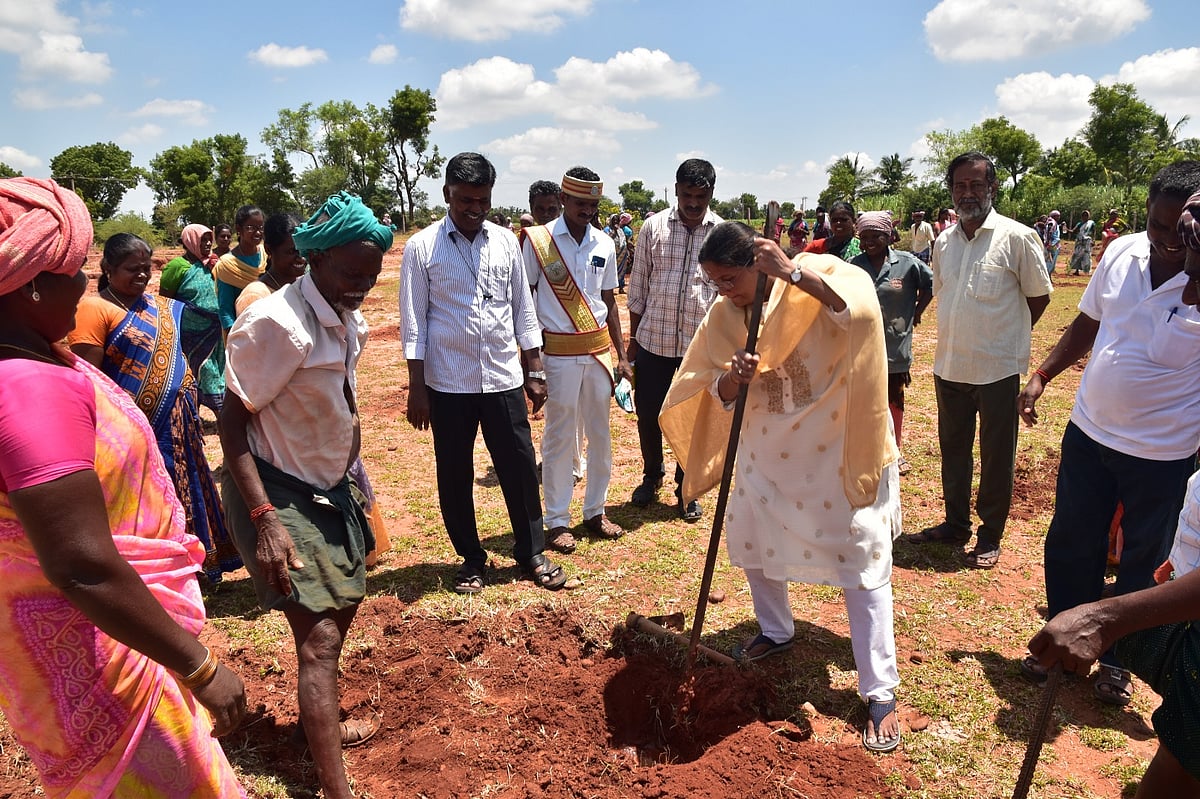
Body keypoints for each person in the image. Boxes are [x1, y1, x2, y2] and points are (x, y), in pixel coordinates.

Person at [0, 177, 247, 797]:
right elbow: (82, 565)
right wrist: (200, 666)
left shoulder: (37, 360)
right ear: (30, 284)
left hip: (89, 644)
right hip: (102, 660)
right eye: (75, 271)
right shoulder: (29, 389)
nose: (85, 285)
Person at [660, 222, 902, 752]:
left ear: (760, 261)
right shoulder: (724, 315)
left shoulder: (820, 275)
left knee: (861, 558)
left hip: (836, 448)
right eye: (714, 280)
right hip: (766, 455)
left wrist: (792, 274)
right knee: (751, 541)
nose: (723, 290)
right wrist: (732, 378)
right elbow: (701, 387)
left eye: (730, 278)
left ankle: (879, 689)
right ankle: (776, 630)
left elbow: (859, 316)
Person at [219, 191, 392, 799]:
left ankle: (317, 726)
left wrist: (351, 477)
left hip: (328, 488)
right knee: (318, 640)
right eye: (351, 274)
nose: (362, 286)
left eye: (371, 276)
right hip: (276, 490)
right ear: (314, 259)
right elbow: (233, 425)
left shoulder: (351, 319)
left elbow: (341, 401)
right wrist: (264, 518)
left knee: (334, 619)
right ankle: (333, 785)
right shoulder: (275, 325)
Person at [1027, 195, 1200, 797]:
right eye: (1157, 227)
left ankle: (1120, 660)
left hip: (1162, 453)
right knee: (1071, 538)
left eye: (1178, 238)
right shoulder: (1123, 252)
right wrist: (1044, 374)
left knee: (1142, 556)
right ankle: (1061, 636)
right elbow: (1087, 323)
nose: (1166, 245)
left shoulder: (1198, 266)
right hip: (1090, 431)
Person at [400, 152, 572, 594]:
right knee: (454, 473)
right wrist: (417, 387)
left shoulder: (504, 243)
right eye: (465, 202)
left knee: (517, 467)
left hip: (502, 377)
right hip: (448, 383)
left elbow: (523, 310)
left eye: (483, 201)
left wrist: (534, 368)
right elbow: (415, 321)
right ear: (447, 196)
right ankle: (472, 558)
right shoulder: (422, 247)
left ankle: (531, 550)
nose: (475, 210)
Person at [908, 152, 1052, 569]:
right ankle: (956, 523)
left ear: (992, 188)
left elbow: (1038, 298)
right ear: (951, 190)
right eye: (959, 186)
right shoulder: (944, 241)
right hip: (949, 365)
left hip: (996, 369)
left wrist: (1004, 337)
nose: (967, 194)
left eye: (976, 185)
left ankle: (990, 535)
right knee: (953, 449)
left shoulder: (1017, 237)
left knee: (996, 455)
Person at [69, 233, 240, 583]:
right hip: (133, 431)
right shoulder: (94, 309)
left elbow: (203, 327)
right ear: (108, 268)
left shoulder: (162, 309)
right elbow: (90, 379)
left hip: (181, 426)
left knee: (188, 486)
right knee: (149, 497)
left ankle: (200, 565)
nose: (143, 275)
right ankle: (157, 571)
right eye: (133, 269)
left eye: (147, 268)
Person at [523, 168, 632, 554]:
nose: (586, 210)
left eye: (593, 204)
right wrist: (530, 362)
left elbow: (611, 303)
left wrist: (623, 355)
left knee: (600, 434)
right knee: (560, 435)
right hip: (557, 354)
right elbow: (526, 301)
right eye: (580, 202)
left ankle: (595, 510)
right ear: (564, 200)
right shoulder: (540, 241)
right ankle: (556, 520)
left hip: (598, 351)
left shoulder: (604, 242)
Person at [626, 158, 723, 521]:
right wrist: (633, 341)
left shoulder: (721, 233)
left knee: (693, 420)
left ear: (712, 193)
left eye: (701, 196)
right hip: (654, 343)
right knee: (649, 415)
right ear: (676, 189)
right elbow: (638, 289)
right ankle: (652, 477)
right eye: (687, 195)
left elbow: (727, 296)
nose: (693, 203)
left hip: (699, 350)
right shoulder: (653, 227)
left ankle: (687, 486)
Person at [850, 211, 933, 476]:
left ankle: (894, 452)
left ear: (888, 236)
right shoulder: (853, 265)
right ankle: (866, 449)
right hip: (861, 348)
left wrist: (918, 312)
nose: (869, 241)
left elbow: (932, 285)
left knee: (894, 400)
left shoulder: (908, 264)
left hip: (895, 347)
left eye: (876, 236)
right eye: (864, 237)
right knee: (864, 400)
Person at [236, 211, 309, 316]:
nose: (301, 258)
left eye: (304, 250)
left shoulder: (304, 286)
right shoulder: (255, 296)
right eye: (292, 251)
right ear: (268, 250)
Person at [212, 205, 266, 332]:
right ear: (238, 229)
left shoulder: (267, 255)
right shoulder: (227, 265)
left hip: (270, 329)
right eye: (251, 228)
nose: (258, 232)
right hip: (243, 330)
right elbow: (226, 310)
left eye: (261, 227)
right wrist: (236, 340)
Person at [160, 223, 213, 298]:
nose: (209, 243)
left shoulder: (210, 263)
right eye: (204, 240)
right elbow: (165, 299)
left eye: (210, 239)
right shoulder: (176, 266)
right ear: (191, 241)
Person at [1069, 209, 1096, 275]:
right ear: (1082, 216)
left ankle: (1087, 270)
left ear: (1088, 216)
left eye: (1086, 215)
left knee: (1086, 255)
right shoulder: (1079, 224)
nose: (1085, 217)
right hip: (1080, 241)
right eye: (1083, 215)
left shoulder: (1091, 223)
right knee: (1077, 255)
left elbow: (1094, 232)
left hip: (1087, 241)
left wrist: (1093, 240)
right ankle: (1077, 270)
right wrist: (1066, 229)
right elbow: (1073, 231)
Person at [1044, 210, 1061, 276]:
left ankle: (1049, 276)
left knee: (1049, 260)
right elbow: (1050, 232)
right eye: (1058, 216)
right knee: (1051, 261)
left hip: (1051, 244)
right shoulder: (1052, 223)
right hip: (1053, 244)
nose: (1059, 217)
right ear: (1054, 216)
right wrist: (1050, 243)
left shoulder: (1049, 222)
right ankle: (1048, 275)